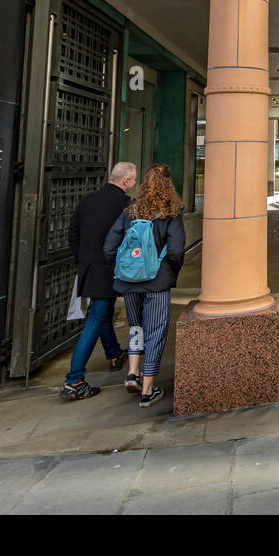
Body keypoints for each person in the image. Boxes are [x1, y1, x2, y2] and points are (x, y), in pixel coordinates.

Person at [103, 163, 186, 405]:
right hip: (157, 281)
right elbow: (176, 251)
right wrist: (171, 272)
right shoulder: (171, 213)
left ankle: (132, 372)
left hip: (129, 280)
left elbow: (109, 247)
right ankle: (148, 388)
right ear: (168, 186)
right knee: (156, 331)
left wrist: (124, 268)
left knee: (136, 326)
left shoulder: (130, 211)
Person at [60, 161, 137, 401]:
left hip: (89, 268)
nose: (133, 184)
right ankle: (74, 380)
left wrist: (83, 260)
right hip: (109, 269)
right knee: (96, 319)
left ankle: (114, 354)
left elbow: (73, 234)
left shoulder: (88, 200)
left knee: (101, 312)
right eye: (133, 180)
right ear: (126, 181)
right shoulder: (125, 205)